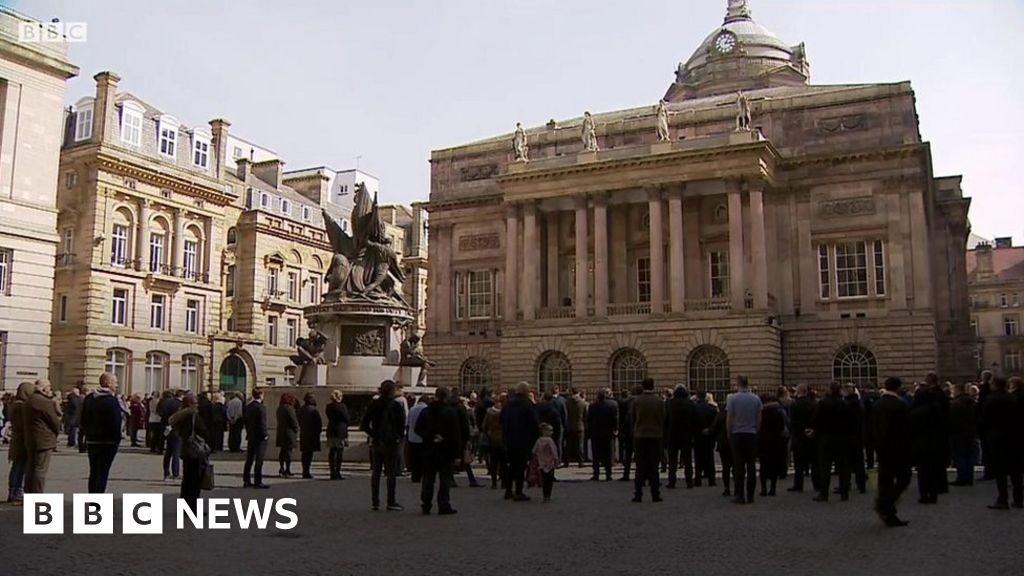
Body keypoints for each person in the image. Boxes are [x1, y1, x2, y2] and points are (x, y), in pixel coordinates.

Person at [360, 380, 406, 511]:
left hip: (377, 442)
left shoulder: (374, 404)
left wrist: (374, 435)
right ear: (392, 391)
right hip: (391, 443)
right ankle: (391, 501)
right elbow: (401, 425)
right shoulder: (396, 406)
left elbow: (364, 424)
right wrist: (398, 437)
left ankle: (375, 501)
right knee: (391, 473)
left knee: (376, 472)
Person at [872, 377, 912, 526]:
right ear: (898, 387)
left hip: (882, 448)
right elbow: (905, 430)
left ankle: (888, 511)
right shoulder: (901, 405)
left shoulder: (877, 404)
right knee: (904, 478)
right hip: (898, 448)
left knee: (885, 481)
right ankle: (885, 505)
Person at [416, 386, 461, 515]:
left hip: (429, 449)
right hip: (445, 450)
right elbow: (455, 433)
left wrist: (429, 437)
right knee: (445, 479)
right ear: (446, 397)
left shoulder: (426, 411)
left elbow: (417, 428)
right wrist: (455, 451)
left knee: (428, 478)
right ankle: (443, 505)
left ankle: (426, 504)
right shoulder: (450, 412)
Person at [79, 373, 123, 493]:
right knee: (103, 472)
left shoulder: (89, 398)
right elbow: (116, 422)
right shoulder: (112, 400)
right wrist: (117, 439)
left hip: (92, 440)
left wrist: (87, 434)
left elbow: (83, 419)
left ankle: (92, 496)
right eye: (115, 382)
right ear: (108, 383)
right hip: (108, 441)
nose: (117, 385)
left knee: (93, 471)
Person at [982, 377, 1021, 509]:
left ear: (995, 385)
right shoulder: (1013, 398)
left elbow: (985, 418)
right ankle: (1018, 499)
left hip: (997, 437)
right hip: (1014, 437)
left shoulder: (991, 399)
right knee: (1016, 470)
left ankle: (1002, 499)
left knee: (1000, 470)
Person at [810, 382, 852, 502]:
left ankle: (824, 494)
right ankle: (844, 493)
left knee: (825, 467)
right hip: (842, 438)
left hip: (826, 438)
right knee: (843, 467)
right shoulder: (845, 404)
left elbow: (815, 420)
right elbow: (851, 422)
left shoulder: (823, 403)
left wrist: (816, 431)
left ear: (830, 390)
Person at [168, 394, 209, 514]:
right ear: (190, 404)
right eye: (195, 402)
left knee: (187, 480)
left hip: (186, 449)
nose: (197, 405)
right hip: (195, 450)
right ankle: (193, 508)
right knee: (195, 481)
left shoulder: (180, 416)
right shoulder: (193, 415)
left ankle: (185, 508)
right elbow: (203, 431)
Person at [909, 377, 947, 504]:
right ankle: (934, 494)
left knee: (923, 471)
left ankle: (924, 495)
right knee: (934, 469)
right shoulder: (936, 409)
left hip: (920, 444)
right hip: (935, 442)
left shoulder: (915, 412)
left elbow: (911, 431)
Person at [725, 376, 762, 504]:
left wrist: (728, 432)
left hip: (737, 433)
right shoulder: (756, 398)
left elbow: (730, 418)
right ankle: (750, 495)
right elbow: (759, 418)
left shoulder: (733, 398)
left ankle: (740, 495)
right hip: (751, 433)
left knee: (738, 466)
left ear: (738, 383)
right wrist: (756, 430)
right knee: (751, 465)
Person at [501, 381, 540, 501]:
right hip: (523, 440)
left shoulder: (508, 404)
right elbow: (534, 422)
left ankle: (508, 490)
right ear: (526, 392)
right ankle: (518, 491)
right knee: (520, 466)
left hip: (509, 439)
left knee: (511, 466)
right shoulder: (527, 404)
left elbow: (502, 420)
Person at [631, 378, 666, 503]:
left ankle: (638, 494)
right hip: (655, 436)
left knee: (639, 467)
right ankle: (655, 494)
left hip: (640, 436)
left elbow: (632, 418)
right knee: (654, 467)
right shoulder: (659, 401)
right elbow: (663, 418)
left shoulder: (637, 401)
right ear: (653, 386)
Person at [24, 379, 60, 494]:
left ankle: (28, 492)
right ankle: (37, 495)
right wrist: (57, 431)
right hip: (44, 439)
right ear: (44, 388)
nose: (50, 389)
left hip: (31, 438)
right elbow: (54, 421)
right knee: (40, 469)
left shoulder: (29, 400)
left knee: (31, 467)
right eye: (49, 387)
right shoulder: (45, 402)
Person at [664, 385, 697, 489]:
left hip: (672, 434)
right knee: (687, 460)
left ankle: (672, 481)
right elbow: (694, 419)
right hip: (686, 434)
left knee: (672, 460)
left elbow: (665, 420)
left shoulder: (669, 403)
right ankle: (689, 481)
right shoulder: (690, 404)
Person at [5, 382, 33, 504]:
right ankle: (17, 492)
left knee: (17, 466)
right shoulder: (21, 407)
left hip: (17, 439)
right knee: (21, 466)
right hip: (22, 440)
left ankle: (13, 491)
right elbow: (24, 424)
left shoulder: (15, 404)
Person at [787, 384, 818, 493]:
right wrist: (812, 430)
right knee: (814, 463)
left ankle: (798, 485)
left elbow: (793, 422)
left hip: (799, 437)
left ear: (799, 391)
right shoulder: (814, 403)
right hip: (812, 437)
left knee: (798, 464)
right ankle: (817, 484)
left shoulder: (794, 404)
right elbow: (817, 419)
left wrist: (802, 430)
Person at [949, 382, 979, 486]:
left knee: (959, 456)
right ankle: (969, 478)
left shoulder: (955, 404)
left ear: (957, 390)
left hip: (958, 433)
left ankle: (962, 478)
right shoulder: (972, 402)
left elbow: (952, 419)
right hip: (971, 432)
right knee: (969, 456)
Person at [758, 393, 787, 497]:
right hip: (776, 441)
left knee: (763, 465)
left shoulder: (761, 412)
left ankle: (764, 489)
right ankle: (773, 489)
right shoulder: (779, 412)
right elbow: (782, 426)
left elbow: (758, 425)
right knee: (774, 465)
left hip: (764, 441)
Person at [587, 388, 618, 481]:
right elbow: (615, 419)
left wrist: (590, 430)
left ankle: (596, 474)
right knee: (608, 454)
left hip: (596, 433)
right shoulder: (612, 405)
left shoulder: (592, 406)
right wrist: (615, 429)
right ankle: (608, 474)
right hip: (607, 433)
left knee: (596, 455)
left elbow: (589, 420)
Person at [243, 389, 270, 489]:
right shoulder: (261, 408)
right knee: (259, 459)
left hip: (251, 435)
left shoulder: (248, 407)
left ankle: (246, 480)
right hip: (260, 437)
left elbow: (245, 421)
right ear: (261, 395)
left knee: (249, 458)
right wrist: (265, 434)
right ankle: (257, 481)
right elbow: (262, 423)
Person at [844, 384, 868, 494]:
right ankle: (861, 485)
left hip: (847, 436)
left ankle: (846, 484)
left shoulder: (845, 404)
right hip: (858, 436)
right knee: (859, 463)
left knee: (846, 463)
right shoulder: (860, 404)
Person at [693, 391, 718, 488]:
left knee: (698, 459)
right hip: (709, 436)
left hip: (697, 436)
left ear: (697, 396)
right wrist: (710, 430)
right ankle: (712, 480)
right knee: (710, 458)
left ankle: (698, 480)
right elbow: (715, 423)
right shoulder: (712, 409)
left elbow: (692, 422)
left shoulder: (694, 408)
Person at [157, 390, 183, 482]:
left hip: (167, 429)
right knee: (176, 453)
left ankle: (166, 473)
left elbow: (160, 413)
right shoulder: (179, 405)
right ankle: (175, 473)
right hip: (177, 430)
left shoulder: (165, 403)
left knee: (168, 452)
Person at [482, 393, 506, 489]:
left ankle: (494, 482)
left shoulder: (489, 412)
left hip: (492, 439)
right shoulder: (504, 412)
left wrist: (488, 431)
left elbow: (484, 426)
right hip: (503, 438)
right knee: (503, 461)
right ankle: (503, 482)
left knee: (493, 461)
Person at [325, 390, 350, 480]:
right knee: (339, 452)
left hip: (331, 430)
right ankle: (337, 472)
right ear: (339, 397)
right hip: (340, 431)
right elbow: (347, 418)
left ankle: (332, 471)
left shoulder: (328, 407)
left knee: (332, 452)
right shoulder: (342, 406)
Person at [532, 423, 560, 502]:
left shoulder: (538, 441)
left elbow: (534, 451)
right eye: (550, 430)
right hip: (550, 463)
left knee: (544, 480)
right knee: (549, 481)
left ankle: (545, 495)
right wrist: (556, 460)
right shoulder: (550, 441)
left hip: (541, 463)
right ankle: (548, 495)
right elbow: (554, 451)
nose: (552, 432)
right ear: (545, 431)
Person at [298, 394, 322, 479]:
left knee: (304, 453)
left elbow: (298, 421)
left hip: (304, 433)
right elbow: (319, 423)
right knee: (309, 454)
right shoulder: (314, 410)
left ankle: (305, 470)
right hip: (312, 434)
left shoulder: (301, 409)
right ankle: (306, 471)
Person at [276, 394, 299, 478]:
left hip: (281, 432)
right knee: (288, 452)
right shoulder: (289, 409)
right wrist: (296, 429)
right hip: (289, 433)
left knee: (282, 451)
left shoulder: (280, 408)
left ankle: (281, 468)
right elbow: (293, 421)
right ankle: (287, 469)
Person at [406, 395, 427, 483]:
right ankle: (422, 474)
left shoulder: (412, 409)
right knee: (423, 458)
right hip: (422, 437)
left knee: (414, 458)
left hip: (412, 437)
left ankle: (415, 476)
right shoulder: (426, 409)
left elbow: (407, 423)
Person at [617, 387, 637, 481]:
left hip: (628, 431)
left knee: (628, 454)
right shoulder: (637, 402)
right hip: (640, 431)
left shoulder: (624, 403)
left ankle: (626, 474)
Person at [565, 389, 587, 468]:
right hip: (579, 426)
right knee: (580, 445)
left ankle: (566, 461)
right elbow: (585, 416)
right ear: (578, 393)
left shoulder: (567, 402)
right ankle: (581, 462)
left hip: (569, 426)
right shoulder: (583, 403)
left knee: (568, 445)